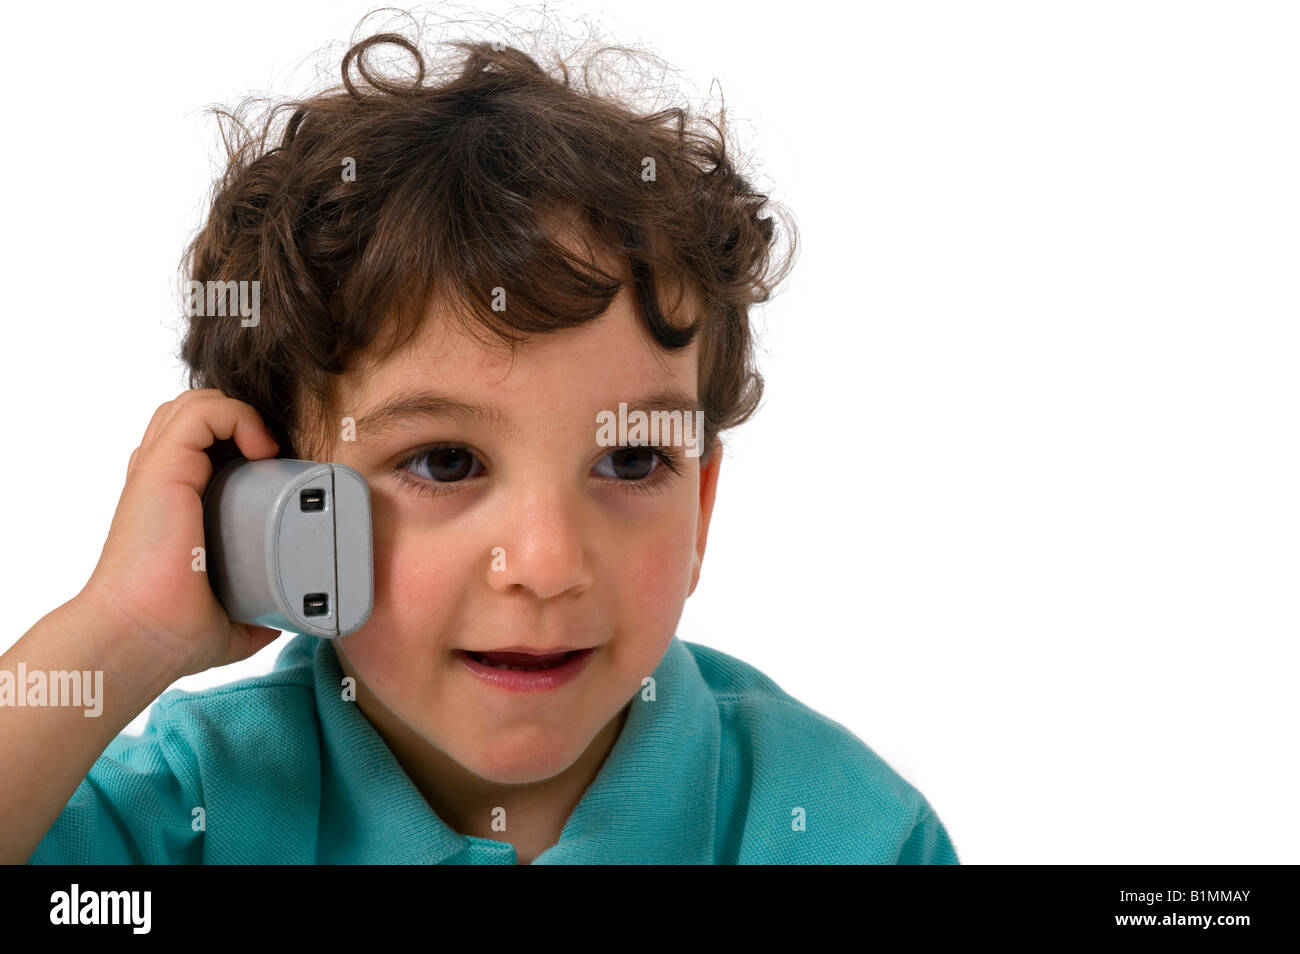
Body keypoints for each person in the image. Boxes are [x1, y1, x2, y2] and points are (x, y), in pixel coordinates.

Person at [3, 23, 958, 865]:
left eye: (632, 462)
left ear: (701, 503)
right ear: (270, 510)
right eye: (445, 462)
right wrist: (123, 632)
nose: (544, 566)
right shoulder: (189, 810)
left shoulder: (843, 831)